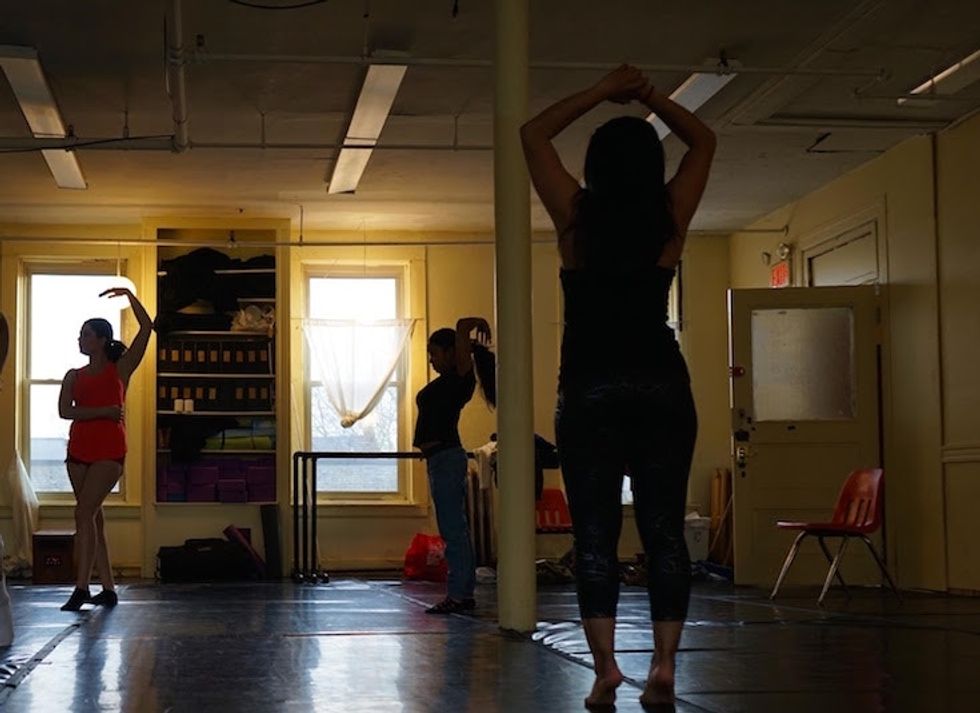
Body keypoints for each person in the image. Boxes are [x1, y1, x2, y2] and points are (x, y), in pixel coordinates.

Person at [521, 64, 715, 709]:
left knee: (596, 534)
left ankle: (605, 668)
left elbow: (533, 133)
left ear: (597, 167)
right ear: (651, 167)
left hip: (590, 385)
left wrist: (604, 90)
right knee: (662, 529)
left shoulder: (576, 218)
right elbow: (705, 142)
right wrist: (654, 96)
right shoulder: (668, 216)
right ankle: (662, 668)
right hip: (661, 381)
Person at [58, 288, 153, 611]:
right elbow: (65, 411)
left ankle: (82, 586)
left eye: (85, 335)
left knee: (82, 513)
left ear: (100, 340)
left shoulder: (120, 369)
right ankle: (109, 588)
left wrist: (128, 294)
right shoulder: (74, 375)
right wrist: (104, 411)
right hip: (78, 452)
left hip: (109, 453)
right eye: (80, 334)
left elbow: (146, 327)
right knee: (93, 519)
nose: (80, 339)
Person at [414, 317, 495, 614]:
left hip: (447, 458)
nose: (432, 360)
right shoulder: (447, 382)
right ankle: (461, 593)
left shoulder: (462, 377)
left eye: (435, 353)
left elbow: (461, 327)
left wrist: (473, 323)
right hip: (440, 460)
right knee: (452, 528)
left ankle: (460, 594)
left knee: (453, 531)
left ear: (452, 353)